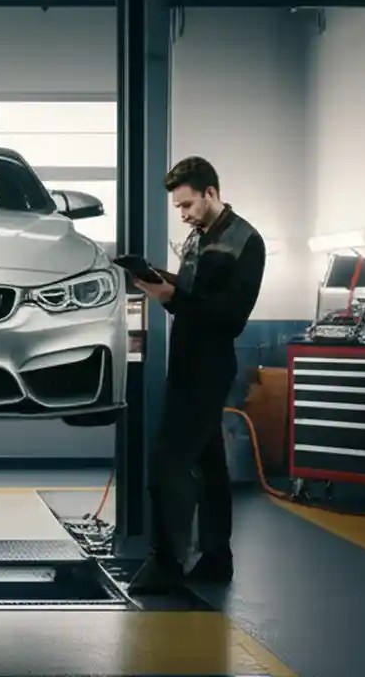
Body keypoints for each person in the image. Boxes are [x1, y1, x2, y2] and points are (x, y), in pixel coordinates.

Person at [124, 156, 266, 594]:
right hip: (185, 362)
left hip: (209, 365)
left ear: (210, 193)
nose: (182, 214)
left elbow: (230, 317)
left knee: (167, 462)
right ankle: (217, 559)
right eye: (177, 208)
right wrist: (154, 277)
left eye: (187, 205)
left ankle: (167, 563)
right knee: (209, 466)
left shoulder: (246, 241)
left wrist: (170, 298)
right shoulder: (198, 236)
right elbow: (193, 291)